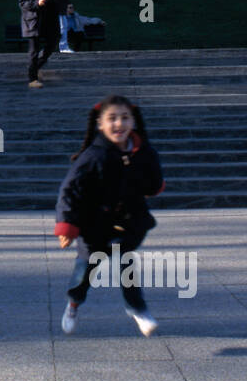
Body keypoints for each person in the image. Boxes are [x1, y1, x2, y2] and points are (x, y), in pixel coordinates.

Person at [55, 94, 165, 337]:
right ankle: (73, 304)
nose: (119, 124)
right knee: (85, 272)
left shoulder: (143, 152)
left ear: (133, 122)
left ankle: (138, 309)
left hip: (126, 224)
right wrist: (67, 225)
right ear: (100, 124)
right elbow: (69, 190)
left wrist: (151, 180)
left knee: (124, 262)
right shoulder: (93, 156)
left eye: (125, 118)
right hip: (93, 225)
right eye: (112, 118)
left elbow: (153, 182)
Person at [18, 0, 58, 88]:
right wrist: (37, 3)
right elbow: (22, 3)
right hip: (32, 22)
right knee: (33, 51)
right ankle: (32, 79)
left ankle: (34, 67)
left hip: (45, 20)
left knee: (52, 43)